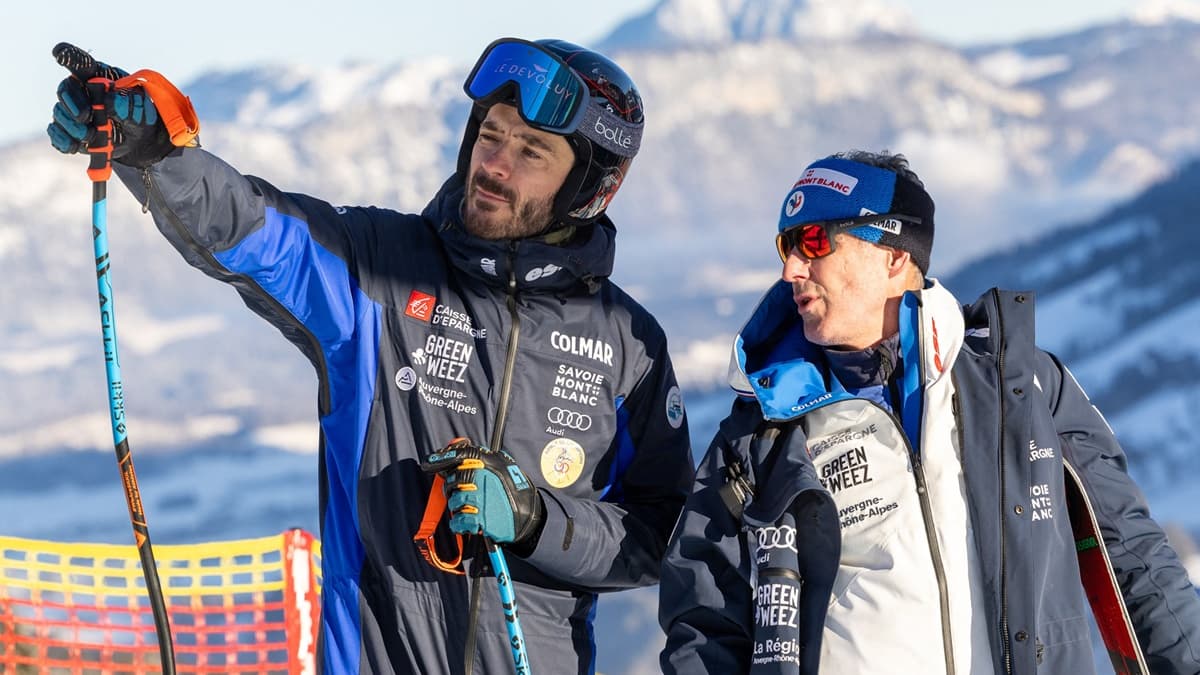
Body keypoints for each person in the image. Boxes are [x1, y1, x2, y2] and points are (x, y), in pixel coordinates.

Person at [47, 37, 695, 674]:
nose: (495, 163)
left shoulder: (628, 345)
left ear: (588, 186)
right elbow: (251, 227)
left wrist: (535, 521)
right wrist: (154, 152)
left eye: (531, 151)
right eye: (491, 134)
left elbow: (660, 532)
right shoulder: (377, 273)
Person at [657, 150, 1200, 674]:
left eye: (814, 241)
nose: (792, 269)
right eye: (786, 247)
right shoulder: (759, 436)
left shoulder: (1023, 386)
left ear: (894, 257)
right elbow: (703, 622)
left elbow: (1133, 557)